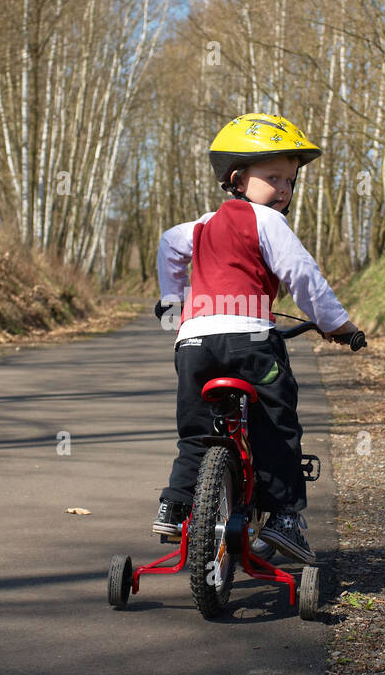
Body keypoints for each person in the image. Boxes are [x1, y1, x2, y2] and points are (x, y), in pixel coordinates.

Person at [152, 113, 359, 564]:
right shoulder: (267, 222)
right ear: (237, 178)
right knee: (276, 429)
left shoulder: (200, 225)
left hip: (192, 343)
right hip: (250, 341)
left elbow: (169, 245)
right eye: (272, 177)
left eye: (290, 179)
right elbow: (302, 276)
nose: (283, 189)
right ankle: (285, 517)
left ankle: (175, 505)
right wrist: (337, 324)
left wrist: (172, 299)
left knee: (196, 433)